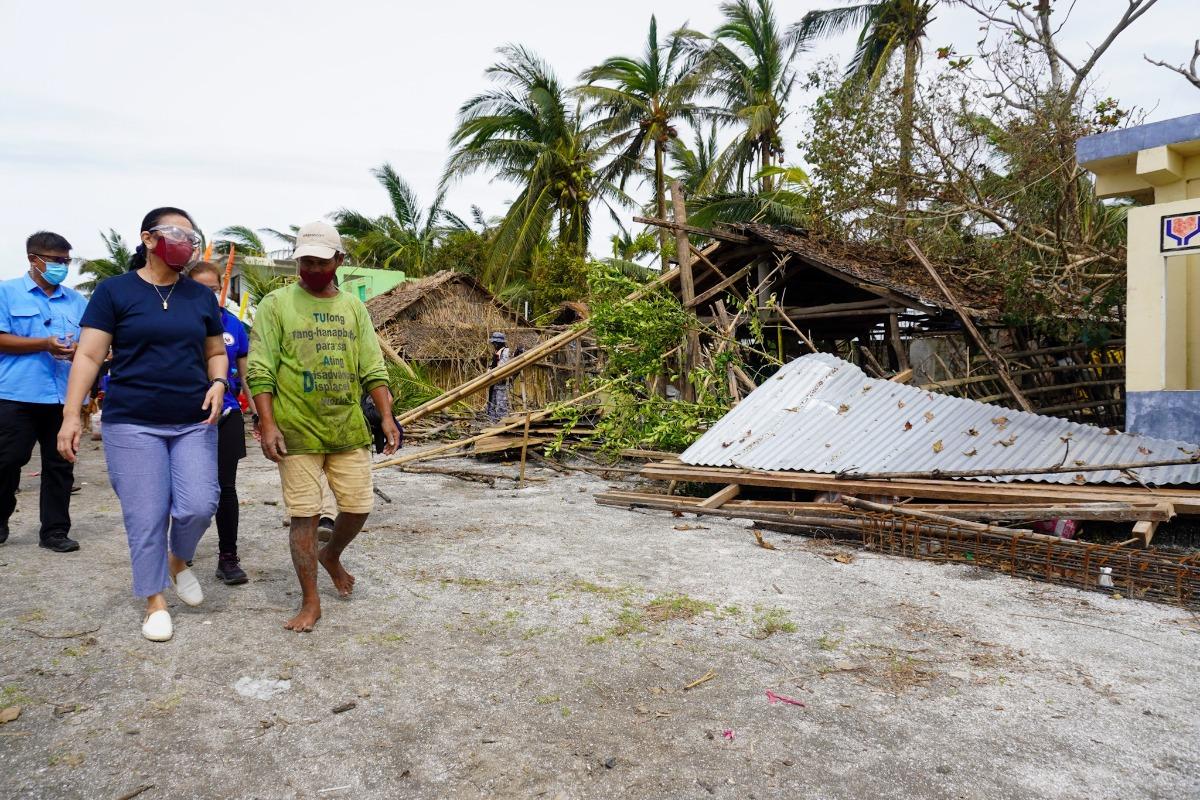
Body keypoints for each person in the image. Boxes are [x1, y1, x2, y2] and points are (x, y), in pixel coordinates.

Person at [57, 207, 227, 643]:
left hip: (191, 420)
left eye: (192, 237)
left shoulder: (199, 296)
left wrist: (219, 381)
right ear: (149, 239)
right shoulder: (115, 292)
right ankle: (154, 598)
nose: (186, 243)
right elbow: (91, 356)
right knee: (146, 514)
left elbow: (215, 350)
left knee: (199, 504)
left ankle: (177, 559)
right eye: (177, 234)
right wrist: (71, 415)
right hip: (132, 422)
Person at [246, 221, 398, 633]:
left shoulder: (352, 308)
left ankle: (331, 555)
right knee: (304, 516)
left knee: (357, 507)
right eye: (304, 261)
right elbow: (260, 369)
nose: (310, 268)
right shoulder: (276, 304)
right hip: (295, 430)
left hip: (347, 427)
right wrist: (268, 422)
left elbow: (372, 367)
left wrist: (386, 416)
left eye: (319, 261)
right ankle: (310, 600)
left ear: (338, 261)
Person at [0, 232, 88, 551]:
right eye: (55, 261)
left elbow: (91, 346)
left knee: (60, 465)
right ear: (33, 260)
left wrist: (82, 349)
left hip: (64, 398)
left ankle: (54, 531)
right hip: (16, 395)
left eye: (66, 261)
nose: (62, 267)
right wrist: (42, 343)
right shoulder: (6, 292)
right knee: (8, 460)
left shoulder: (77, 301)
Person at [189, 262, 257, 585]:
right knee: (186, 490)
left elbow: (244, 378)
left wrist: (258, 413)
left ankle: (227, 557)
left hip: (226, 415)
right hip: (186, 416)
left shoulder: (235, 327)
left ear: (221, 289)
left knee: (225, 488)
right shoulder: (177, 320)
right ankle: (181, 550)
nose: (208, 294)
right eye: (200, 287)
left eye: (213, 288)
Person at [485, 331, 511, 423]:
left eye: (495, 343)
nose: (494, 345)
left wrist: (495, 366)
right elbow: (491, 366)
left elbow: (503, 366)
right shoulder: (496, 352)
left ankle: (503, 424)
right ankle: (493, 424)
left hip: (501, 383)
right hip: (494, 383)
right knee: (492, 404)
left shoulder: (506, 351)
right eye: (494, 343)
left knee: (501, 406)